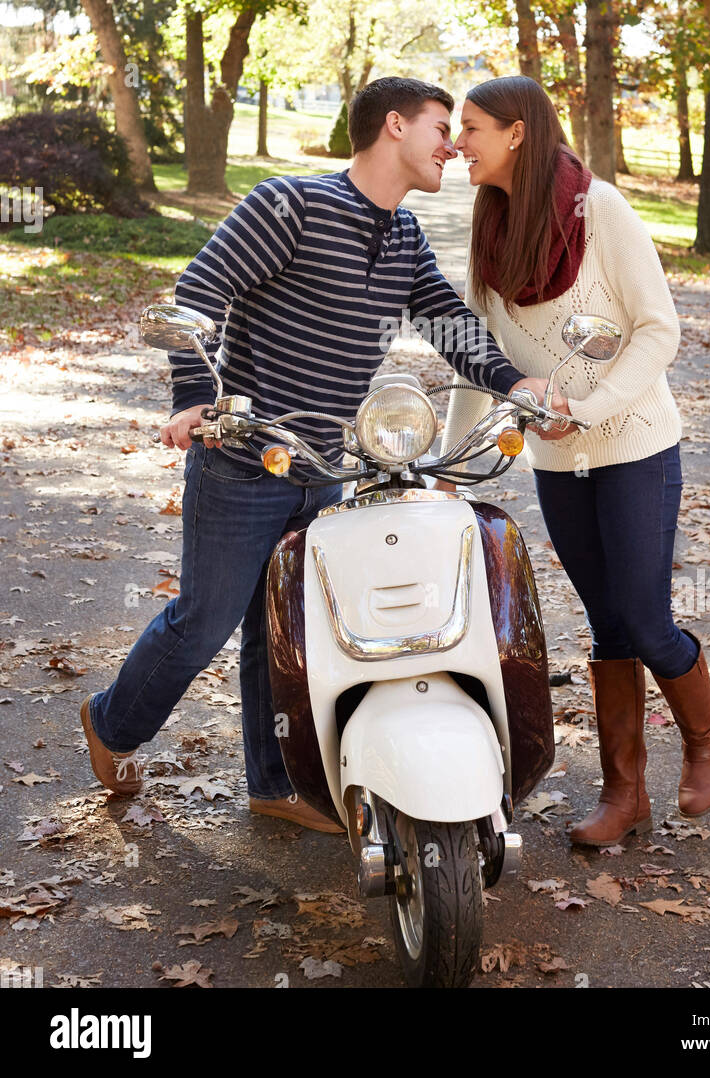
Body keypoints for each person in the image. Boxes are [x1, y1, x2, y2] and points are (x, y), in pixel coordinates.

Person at [81, 76, 563, 832]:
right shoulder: (290, 205)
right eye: (443, 126)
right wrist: (188, 395)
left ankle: (274, 785)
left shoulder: (402, 235)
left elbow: (446, 322)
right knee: (206, 623)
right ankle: (112, 724)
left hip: (327, 469)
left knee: (284, 636)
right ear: (394, 127)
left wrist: (515, 382)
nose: (451, 144)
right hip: (245, 462)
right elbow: (199, 291)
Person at [436, 75, 710, 848]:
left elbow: (657, 330)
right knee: (606, 624)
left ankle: (705, 740)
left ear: (518, 133)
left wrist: (588, 409)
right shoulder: (491, 222)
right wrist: (445, 465)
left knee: (643, 616)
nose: (458, 142)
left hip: (633, 444)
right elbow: (482, 352)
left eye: (470, 127)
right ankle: (623, 792)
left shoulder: (598, 209)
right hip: (557, 462)